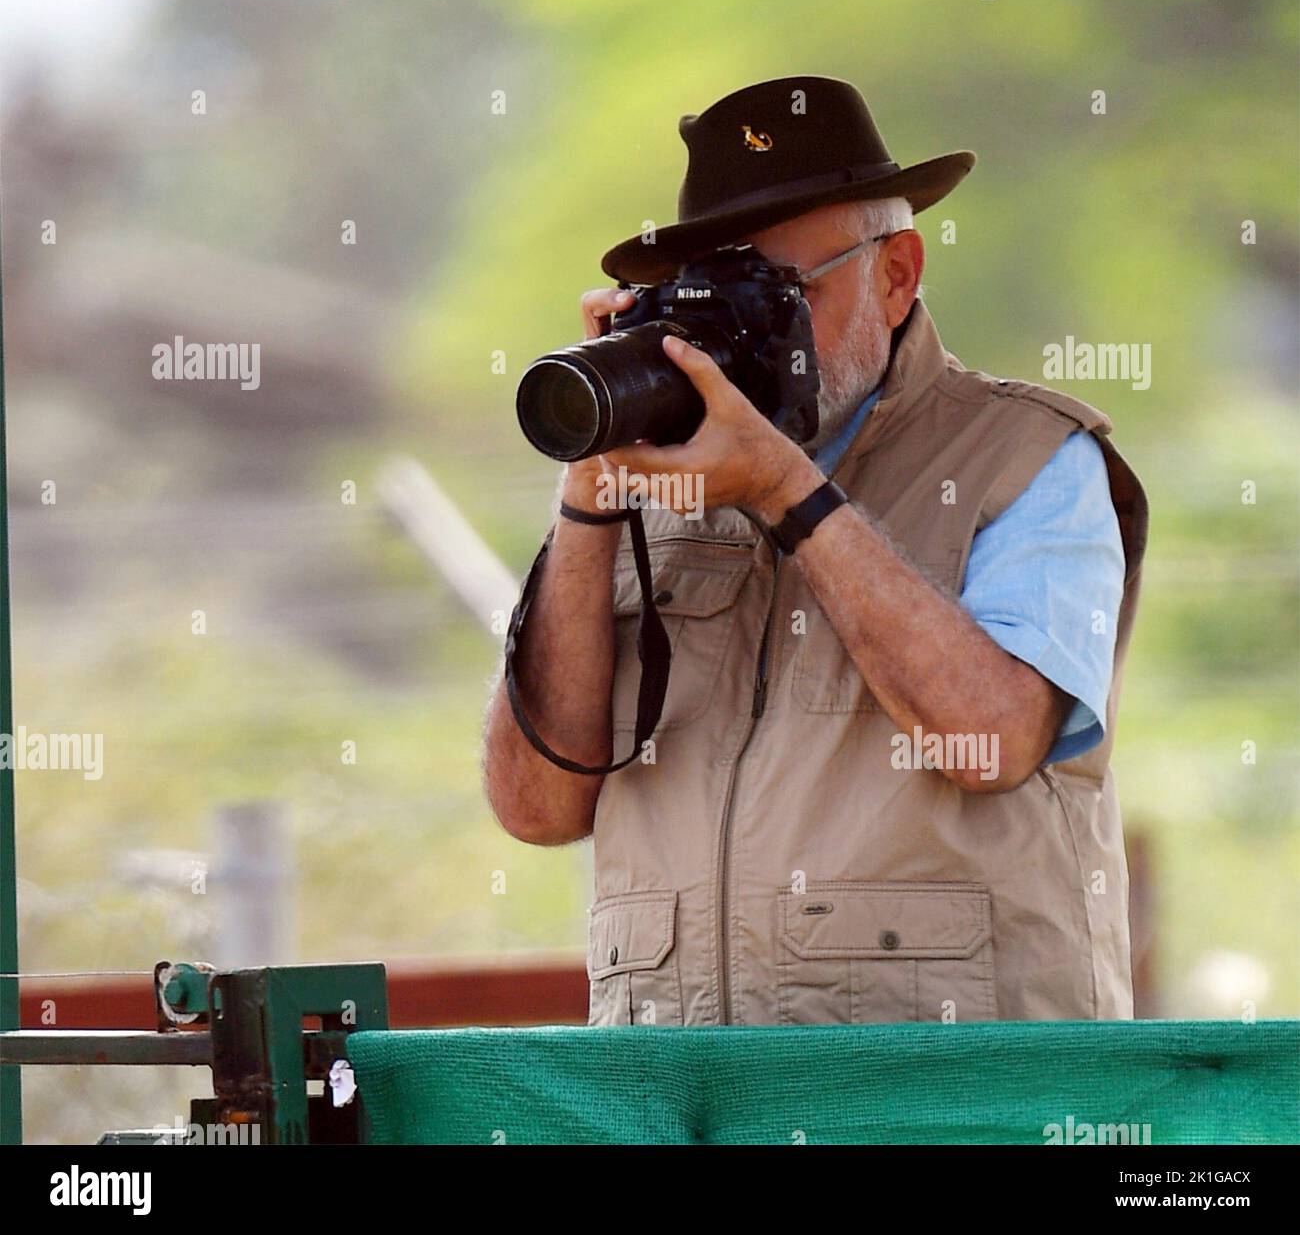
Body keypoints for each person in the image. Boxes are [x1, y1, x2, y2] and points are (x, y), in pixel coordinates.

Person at [482, 75, 1148, 1026]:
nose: (746, 334)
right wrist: (588, 498)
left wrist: (786, 489)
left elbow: (991, 737)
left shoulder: (1030, 457)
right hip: (682, 1104)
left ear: (896, 273)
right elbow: (536, 807)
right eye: (708, 300)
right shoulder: (654, 485)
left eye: (779, 292)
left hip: (953, 1104)